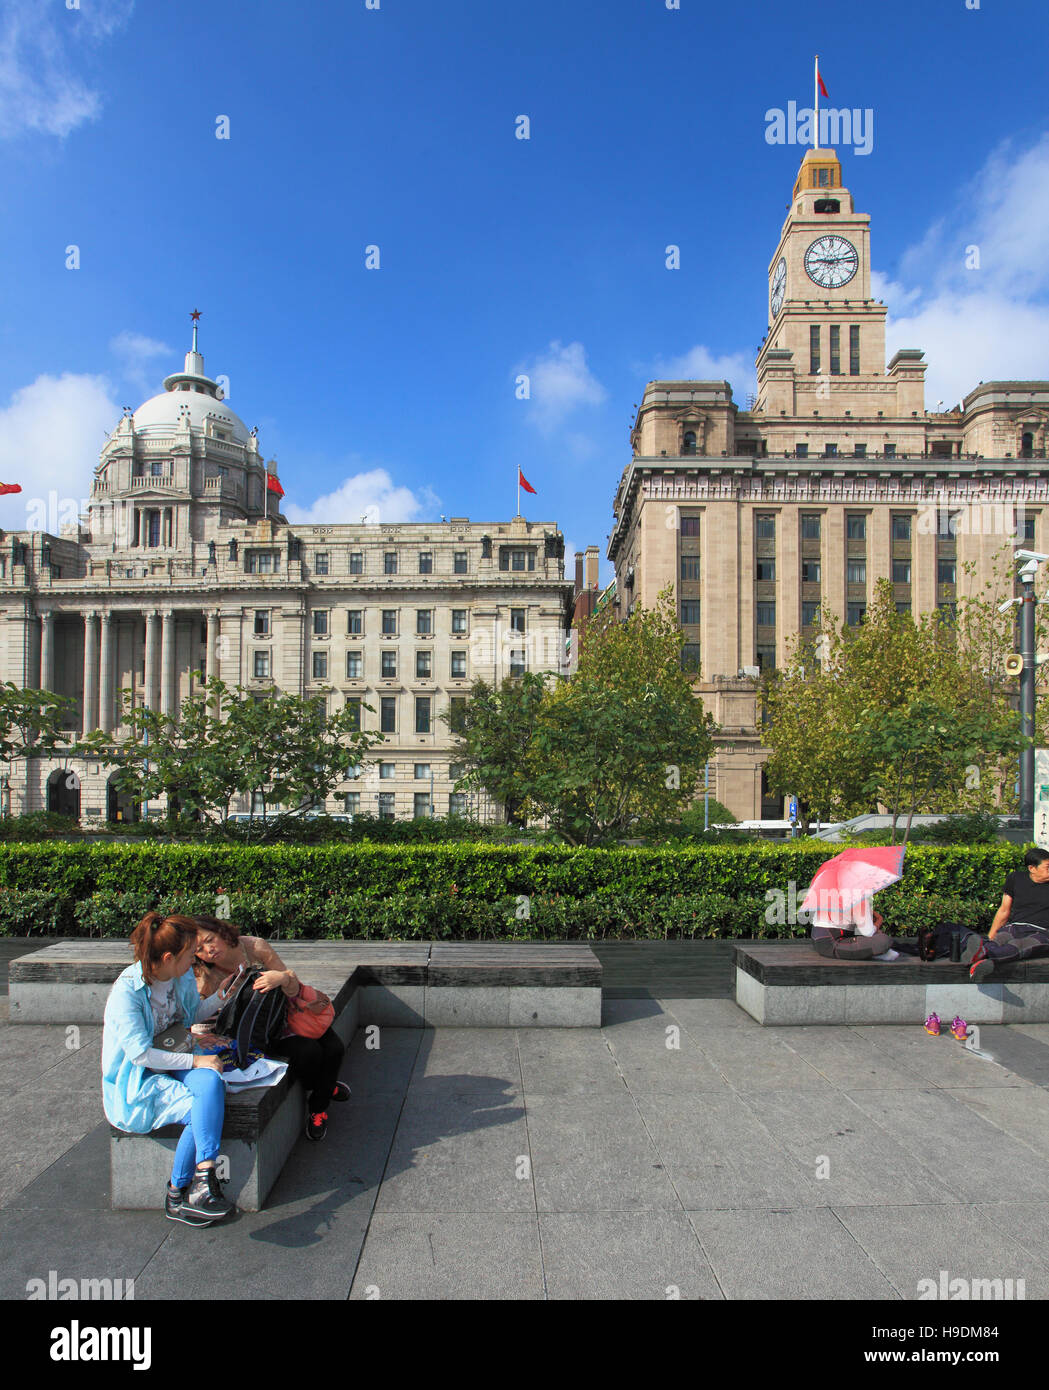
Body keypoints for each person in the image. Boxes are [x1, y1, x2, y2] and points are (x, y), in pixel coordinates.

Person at [101, 912, 236, 1227]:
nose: (195, 959)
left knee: (211, 1082)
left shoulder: (179, 977)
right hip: (140, 1078)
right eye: (190, 954)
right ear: (167, 957)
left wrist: (220, 997)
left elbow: (190, 1016)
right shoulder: (128, 993)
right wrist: (195, 1060)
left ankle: (203, 1180)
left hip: (174, 1053)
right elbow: (140, 1055)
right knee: (197, 1103)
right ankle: (177, 1193)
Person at [192, 915, 348, 1140]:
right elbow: (201, 1019)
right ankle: (324, 1092)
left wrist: (281, 978)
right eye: (199, 949)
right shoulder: (204, 974)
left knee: (334, 1047)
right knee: (309, 1052)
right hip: (256, 1033)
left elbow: (293, 989)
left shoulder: (254, 947)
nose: (209, 950)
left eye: (210, 939)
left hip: (287, 1016)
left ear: (221, 931)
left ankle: (320, 1102)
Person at [967, 847, 1049, 980]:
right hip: (1015, 926)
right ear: (1032, 868)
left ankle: (983, 957)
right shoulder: (1016, 878)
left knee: (1019, 945)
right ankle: (984, 958)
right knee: (999, 939)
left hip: (1043, 933)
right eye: (1047, 867)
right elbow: (1004, 910)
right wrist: (990, 937)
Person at [810, 891, 899, 960]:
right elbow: (868, 932)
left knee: (877, 936)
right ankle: (872, 954)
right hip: (831, 944)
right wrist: (879, 921)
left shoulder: (837, 891)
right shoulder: (859, 895)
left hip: (817, 939)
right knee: (884, 940)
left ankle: (867, 952)